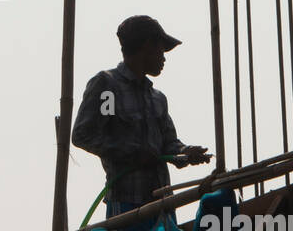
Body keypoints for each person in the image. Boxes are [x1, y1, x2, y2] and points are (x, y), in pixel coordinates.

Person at [71, 15, 210, 220]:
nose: (164, 58)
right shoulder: (109, 89)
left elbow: (169, 145)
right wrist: (131, 152)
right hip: (126, 205)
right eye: (161, 51)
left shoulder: (157, 99)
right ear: (147, 45)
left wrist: (185, 153)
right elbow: (84, 134)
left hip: (162, 204)